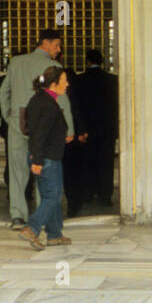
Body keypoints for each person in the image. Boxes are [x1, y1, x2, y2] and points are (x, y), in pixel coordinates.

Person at [0, 29, 69, 229]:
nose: (58, 49)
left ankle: (18, 216)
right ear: (45, 43)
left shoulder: (16, 62)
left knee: (17, 171)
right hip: (44, 124)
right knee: (44, 169)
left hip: (17, 120)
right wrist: (68, 129)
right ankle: (42, 216)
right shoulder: (54, 67)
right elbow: (62, 100)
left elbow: (4, 92)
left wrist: (9, 117)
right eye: (56, 45)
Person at [19, 65, 71, 250]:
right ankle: (32, 227)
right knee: (52, 196)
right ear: (54, 83)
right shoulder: (48, 105)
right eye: (64, 81)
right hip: (46, 158)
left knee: (53, 195)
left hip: (44, 156)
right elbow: (39, 134)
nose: (67, 84)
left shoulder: (39, 99)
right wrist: (38, 160)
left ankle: (54, 234)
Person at [73, 48, 118, 207]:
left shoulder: (79, 80)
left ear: (87, 62)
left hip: (87, 129)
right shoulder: (113, 80)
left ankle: (88, 192)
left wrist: (79, 128)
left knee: (88, 161)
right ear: (102, 61)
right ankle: (105, 194)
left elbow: (76, 107)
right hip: (107, 129)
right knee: (106, 162)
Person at [0, 72, 34, 204]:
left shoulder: (27, 77)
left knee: (21, 157)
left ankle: (23, 190)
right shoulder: (4, 80)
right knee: (15, 158)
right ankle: (16, 190)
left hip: (21, 124)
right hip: (12, 124)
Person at [62, 65, 90, 216]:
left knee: (70, 173)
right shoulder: (71, 93)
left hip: (69, 138)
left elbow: (77, 112)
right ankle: (74, 203)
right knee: (73, 172)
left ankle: (74, 202)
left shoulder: (67, 94)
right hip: (71, 138)